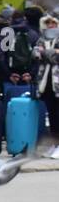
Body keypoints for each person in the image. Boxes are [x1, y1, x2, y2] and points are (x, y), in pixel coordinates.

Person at [0, 6, 38, 93]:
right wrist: (31, 74)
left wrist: (9, 73)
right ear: (25, 19)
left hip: (11, 77)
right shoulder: (33, 34)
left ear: (11, 19)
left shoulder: (7, 33)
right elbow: (38, 56)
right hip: (28, 77)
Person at [33, 14, 59, 155]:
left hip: (57, 82)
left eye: (53, 23)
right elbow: (35, 53)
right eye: (48, 23)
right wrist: (52, 53)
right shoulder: (42, 39)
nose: (50, 26)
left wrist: (47, 53)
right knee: (52, 114)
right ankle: (55, 144)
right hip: (46, 82)